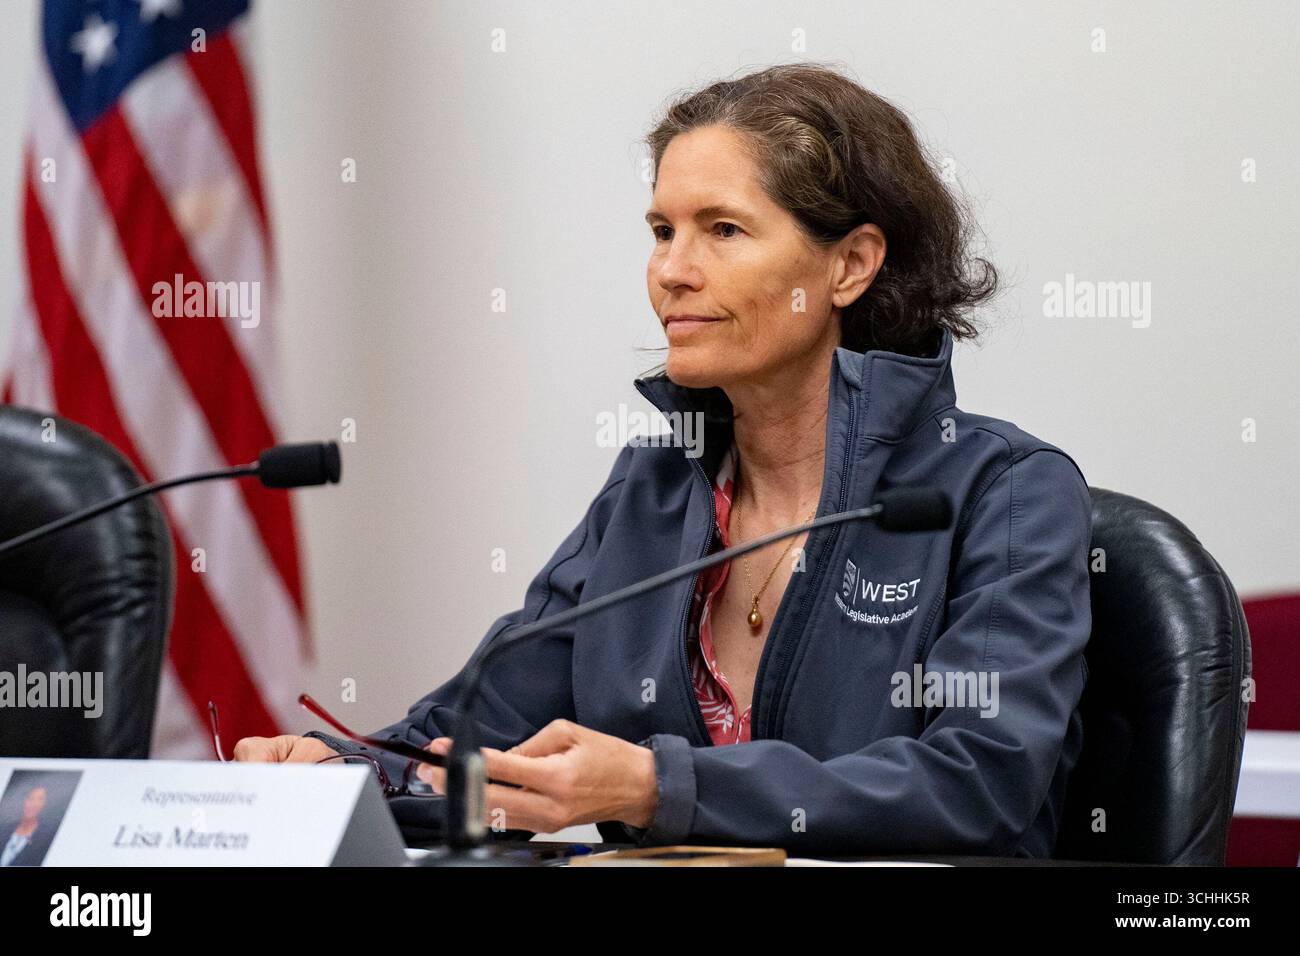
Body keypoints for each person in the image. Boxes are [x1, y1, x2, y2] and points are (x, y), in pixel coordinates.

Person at [235, 62, 1092, 857]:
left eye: (722, 230)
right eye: (661, 230)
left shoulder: (1003, 492)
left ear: (851, 265)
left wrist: (655, 786)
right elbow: (477, 736)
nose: (672, 272)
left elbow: (979, 780)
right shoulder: (653, 487)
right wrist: (338, 773)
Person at [0, 786, 53, 867]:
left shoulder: (46, 839)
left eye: (40, 800)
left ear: (46, 805)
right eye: (30, 798)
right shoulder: (4, 828)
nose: (33, 804)